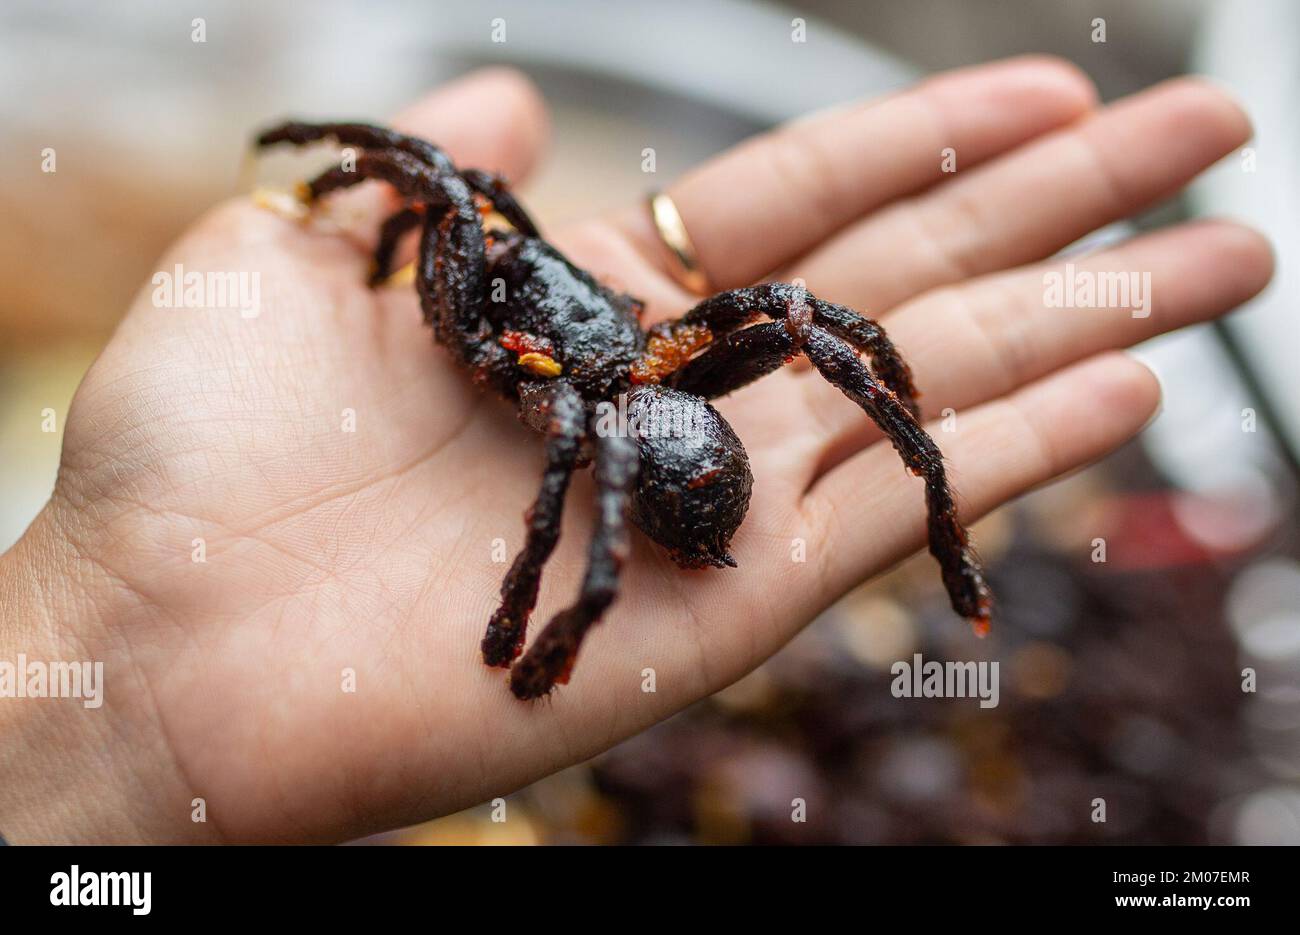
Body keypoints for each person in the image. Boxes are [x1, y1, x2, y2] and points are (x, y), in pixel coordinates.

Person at [0, 58, 1273, 843]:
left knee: (736, 332)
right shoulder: (574, 343)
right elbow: (473, 220)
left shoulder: (548, 369)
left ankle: (561, 619)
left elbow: (466, 232)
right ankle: (935, 540)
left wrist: (358, 198)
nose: (462, 242)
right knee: (751, 317)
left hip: (628, 405)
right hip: (628, 383)